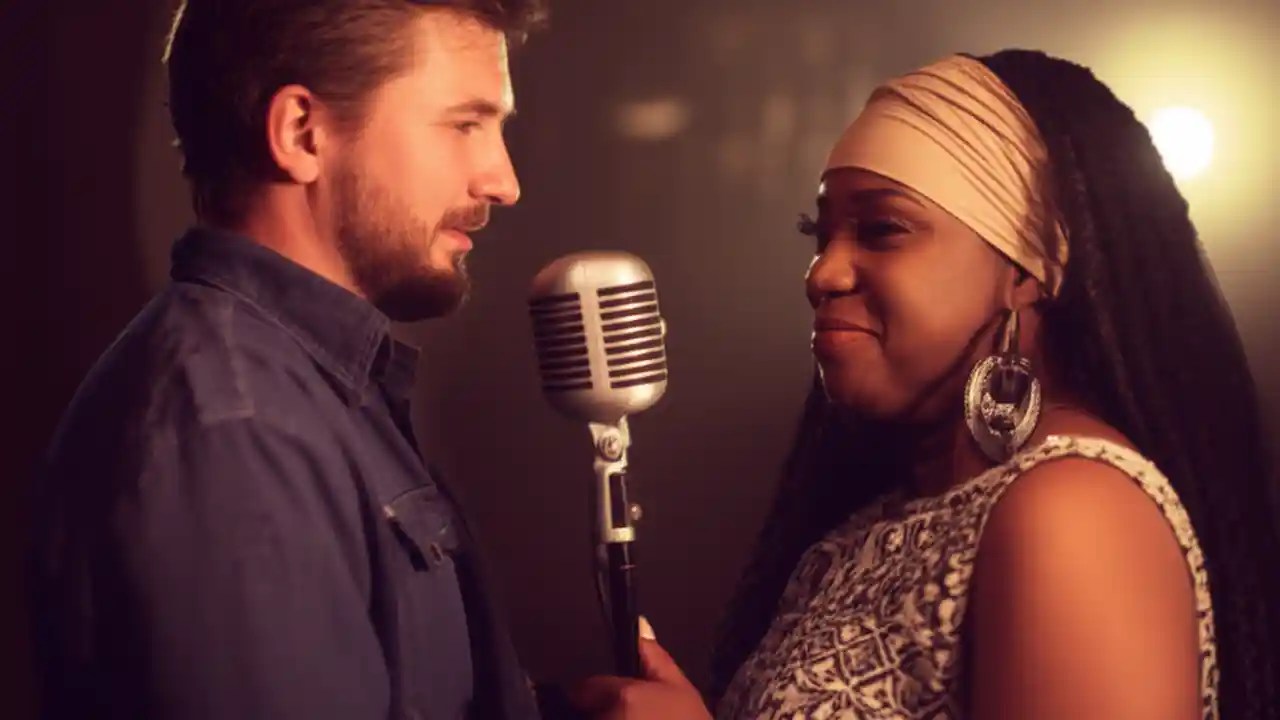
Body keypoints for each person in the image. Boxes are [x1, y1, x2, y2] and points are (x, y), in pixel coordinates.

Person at [569, 50, 1280, 719]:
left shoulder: (1073, 513)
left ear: (1029, 269)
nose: (823, 274)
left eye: (881, 230)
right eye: (820, 235)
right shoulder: (875, 524)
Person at [29, 0, 549, 717]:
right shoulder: (233, 433)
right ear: (302, 132)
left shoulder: (298, 392)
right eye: (465, 124)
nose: (502, 180)